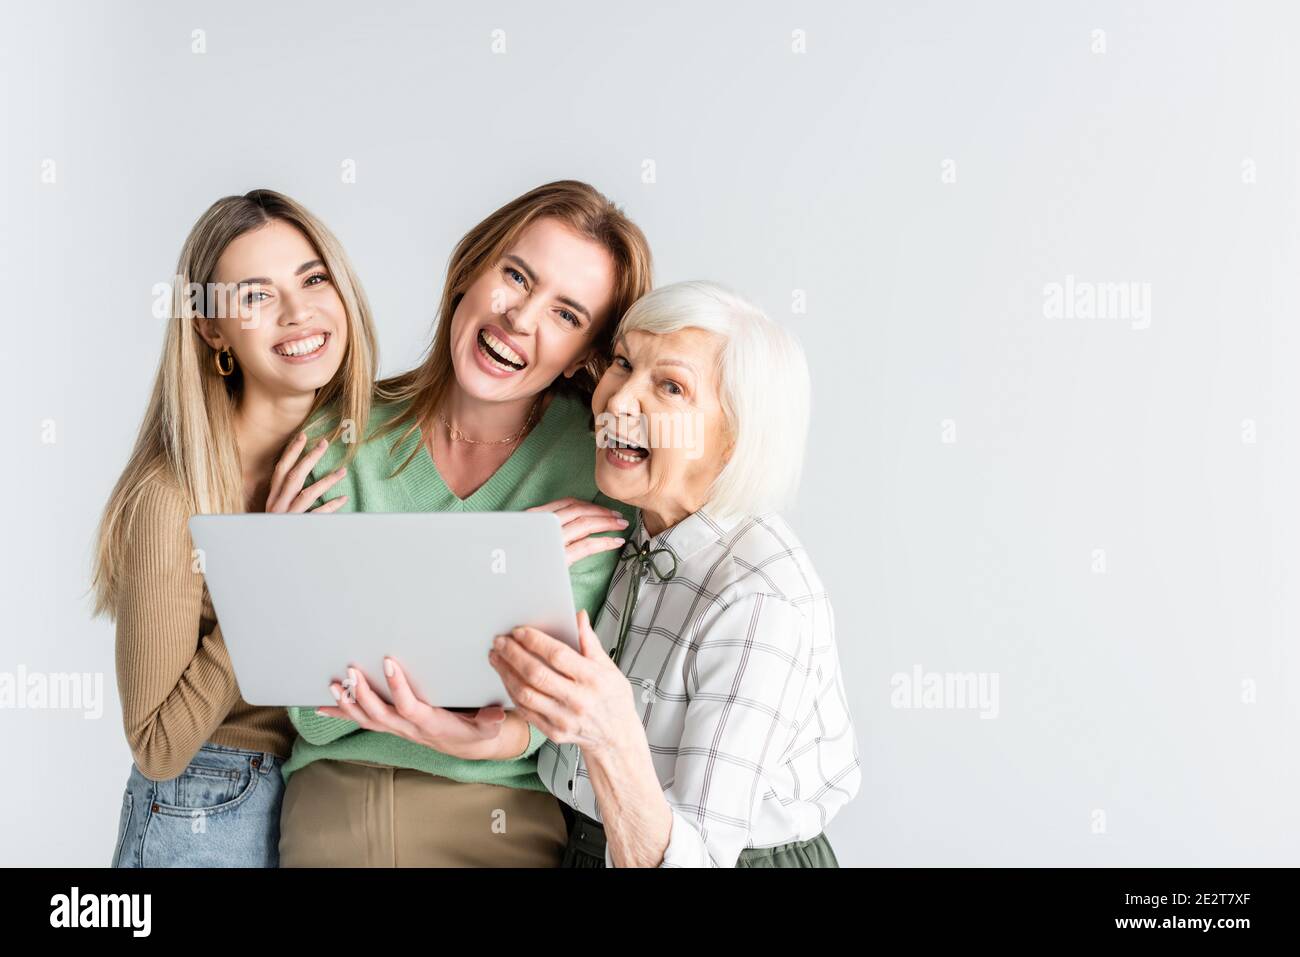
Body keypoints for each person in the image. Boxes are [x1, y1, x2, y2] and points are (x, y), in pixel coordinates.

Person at [276, 180, 653, 867]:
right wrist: (490, 566)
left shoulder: (591, 470)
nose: (521, 318)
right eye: (515, 275)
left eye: (566, 313)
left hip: (496, 817)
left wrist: (388, 640)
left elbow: (532, 717)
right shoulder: (341, 436)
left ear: (583, 355)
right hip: (332, 805)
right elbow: (311, 704)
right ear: (470, 271)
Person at [490, 280, 860, 867]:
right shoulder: (628, 523)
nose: (617, 401)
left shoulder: (759, 599)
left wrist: (610, 733)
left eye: (670, 386)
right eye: (623, 363)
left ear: (735, 436)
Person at [93, 189, 379, 866]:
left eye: (313, 278)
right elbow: (158, 745)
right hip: (208, 802)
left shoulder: (363, 455)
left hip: (326, 795)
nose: (298, 311)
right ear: (211, 330)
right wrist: (266, 566)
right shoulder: (170, 497)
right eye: (255, 296)